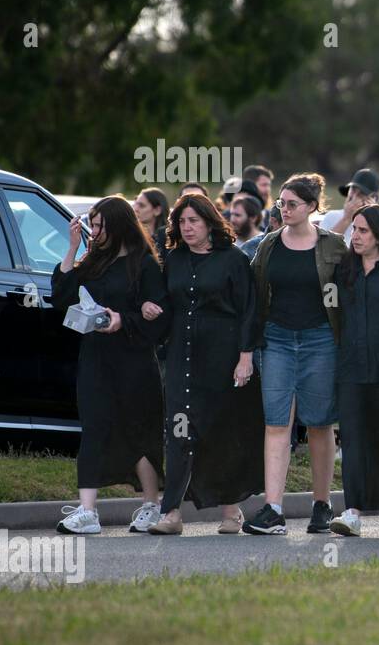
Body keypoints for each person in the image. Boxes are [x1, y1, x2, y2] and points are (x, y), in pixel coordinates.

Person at [144, 194, 264, 535]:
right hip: (182, 356)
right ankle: (171, 514)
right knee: (179, 431)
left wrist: (245, 358)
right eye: (182, 222)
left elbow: (249, 311)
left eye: (194, 221)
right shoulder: (175, 259)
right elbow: (168, 302)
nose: (187, 227)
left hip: (223, 356)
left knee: (221, 431)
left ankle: (231, 512)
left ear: (210, 222)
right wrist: (153, 310)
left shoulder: (233, 260)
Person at [51, 196, 166, 534]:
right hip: (96, 359)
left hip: (133, 361)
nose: (94, 230)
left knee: (139, 431)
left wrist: (125, 319)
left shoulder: (143, 264)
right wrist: (72, 249)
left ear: (117, 225)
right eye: (92, 224)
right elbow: (62, 297)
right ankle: (87, 511)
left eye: (100, 225)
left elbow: (159, 319)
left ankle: (151, 505)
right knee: (94, 427)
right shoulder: (92, 261)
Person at [246, 173, 349, 535]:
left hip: (321, 338)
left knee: (320, 423)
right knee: (276, 422)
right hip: (276, 338)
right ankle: (272, 508)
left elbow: (348, 296)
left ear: (311, 208)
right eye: (281, 203)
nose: (284, 210)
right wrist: (248, 348)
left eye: (292, 204)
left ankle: (322, 504)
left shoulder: (334, 246)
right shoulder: (269, 245)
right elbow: (256, 297)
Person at [328, 207, 379, 537]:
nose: (356, 236)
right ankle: (352, 510)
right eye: (354, 230)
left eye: (363, 230)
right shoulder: (343, 270)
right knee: (353, 438)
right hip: (349, 367)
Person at [323, 168, 379, 242]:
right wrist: (346, 219)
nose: (354, 196)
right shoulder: (331, 216)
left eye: (361, 193)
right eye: (353, 190)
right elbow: (324, 246)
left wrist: (373, 218)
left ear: (373, 198)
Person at [133, 187, 170, 253]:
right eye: (135, 204)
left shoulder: (168, 239)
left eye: (141, 205)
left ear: (157, 210)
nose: (135, 209)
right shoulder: (134, 237)